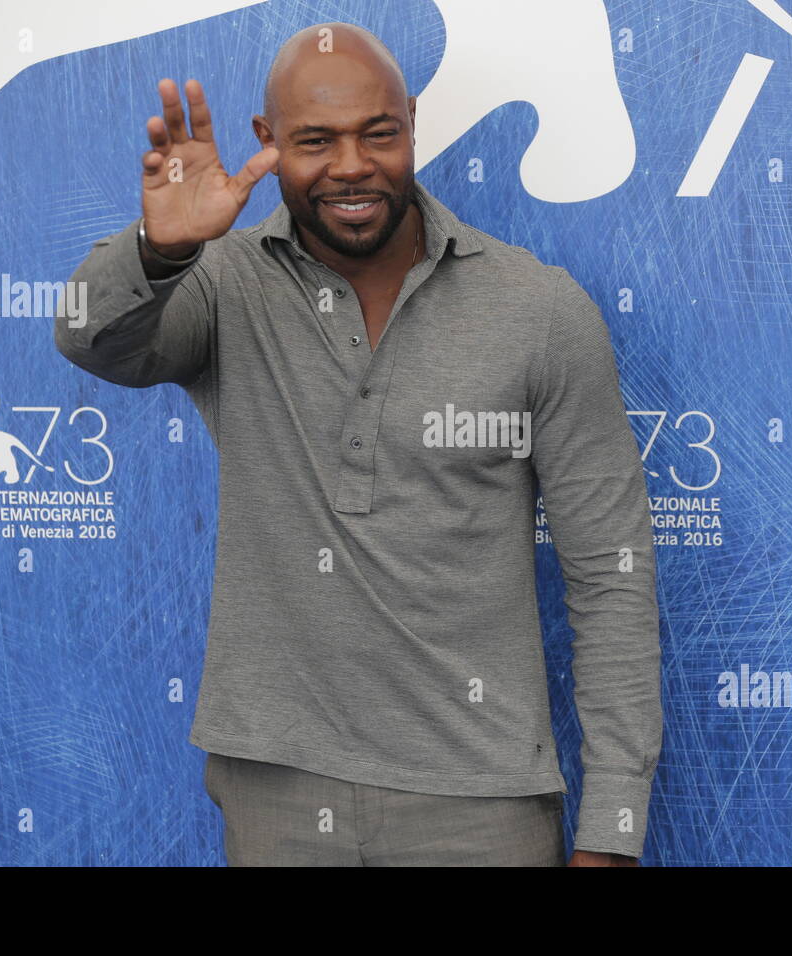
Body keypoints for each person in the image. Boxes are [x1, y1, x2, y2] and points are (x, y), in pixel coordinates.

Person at [54, 21, 662, 867]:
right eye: (315, 141)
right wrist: (163, 249)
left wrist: (614, 831)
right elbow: (90, 340)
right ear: (268, 144)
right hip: (277, 787)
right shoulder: (220, 284)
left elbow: (612, 576)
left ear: (412, 123)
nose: (351, 166)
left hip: (482, 800)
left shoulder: (541, 311)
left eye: (379, 133)